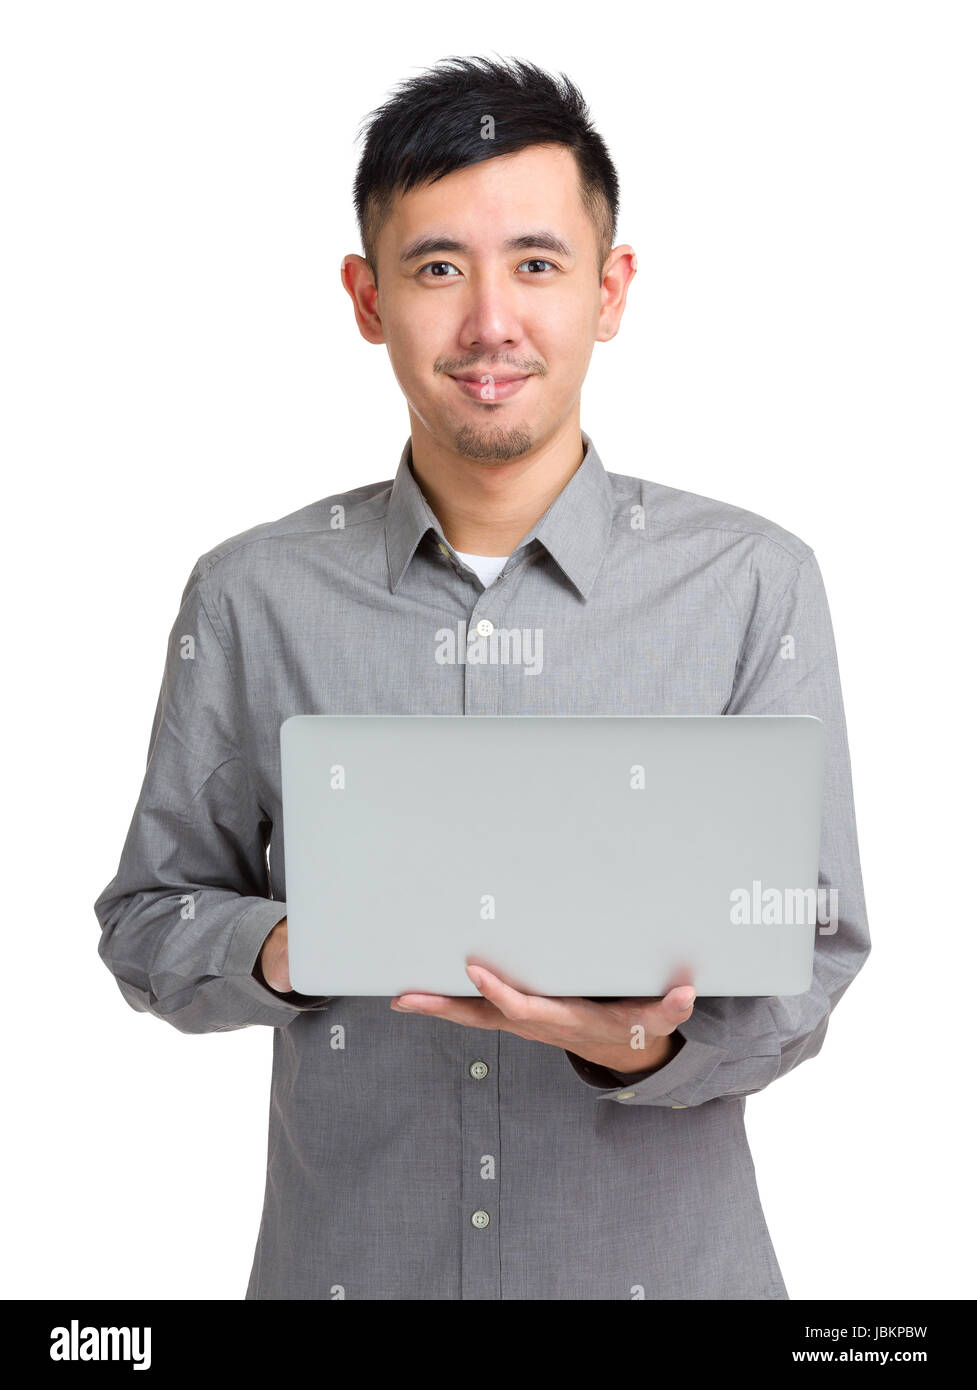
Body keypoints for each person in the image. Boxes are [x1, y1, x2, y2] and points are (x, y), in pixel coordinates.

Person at [94, 55, 870, 1300]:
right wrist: (302, 939)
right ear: (367, 296)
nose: (489, 323)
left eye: (537, 263)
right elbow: (146, 925)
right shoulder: (250, 596)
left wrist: (637, 1045)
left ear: (609, 291)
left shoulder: (749, 584)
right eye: (438, 266)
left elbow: (813, 951)